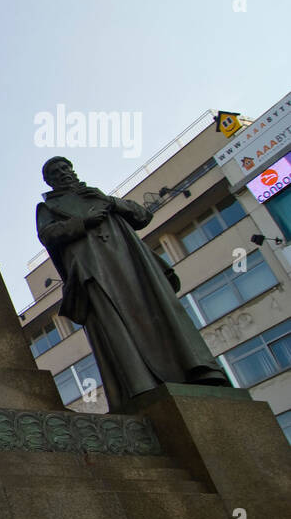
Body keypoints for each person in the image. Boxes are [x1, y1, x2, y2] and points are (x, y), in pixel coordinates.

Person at [36, 156, 230, 412]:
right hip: (93, 268)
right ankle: (141, 385)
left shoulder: (97, 194)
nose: (63, 173)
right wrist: (82, 223)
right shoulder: (48, 207)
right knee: (116, 326)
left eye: (65, 168)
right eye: (55, 172)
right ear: (49, 180)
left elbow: (142, 216)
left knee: (160, 312)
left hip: (132, 264)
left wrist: (111, 201)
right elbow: (48, 234)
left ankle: (196, 370)